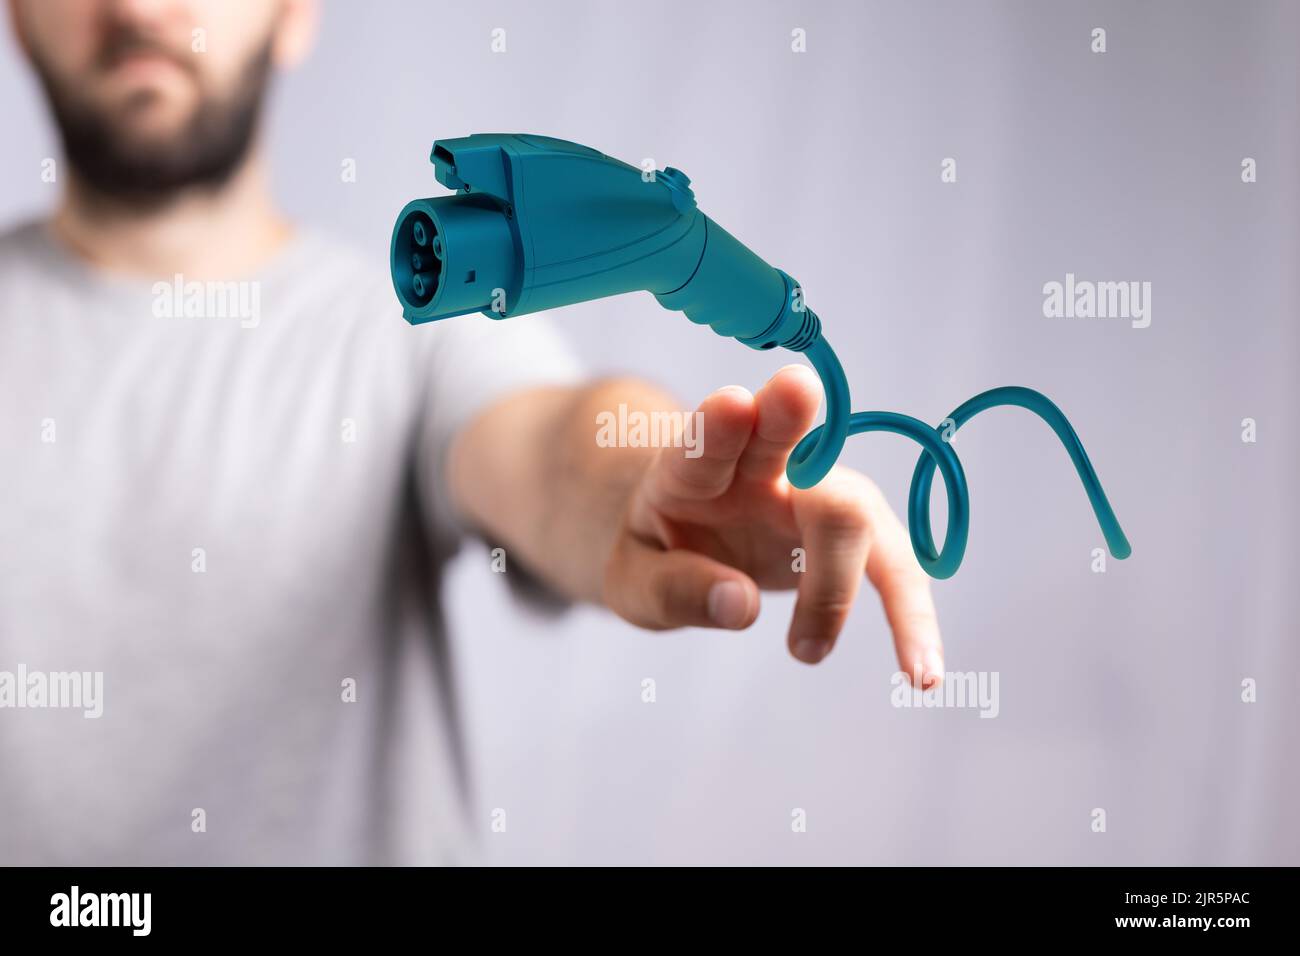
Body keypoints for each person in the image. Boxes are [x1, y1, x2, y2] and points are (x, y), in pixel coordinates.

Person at [0, 0, 943, 864]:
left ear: (293, 12)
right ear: (16, 18)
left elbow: (552, 445)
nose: (133, 4)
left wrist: (659, 479)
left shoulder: (398, 336)